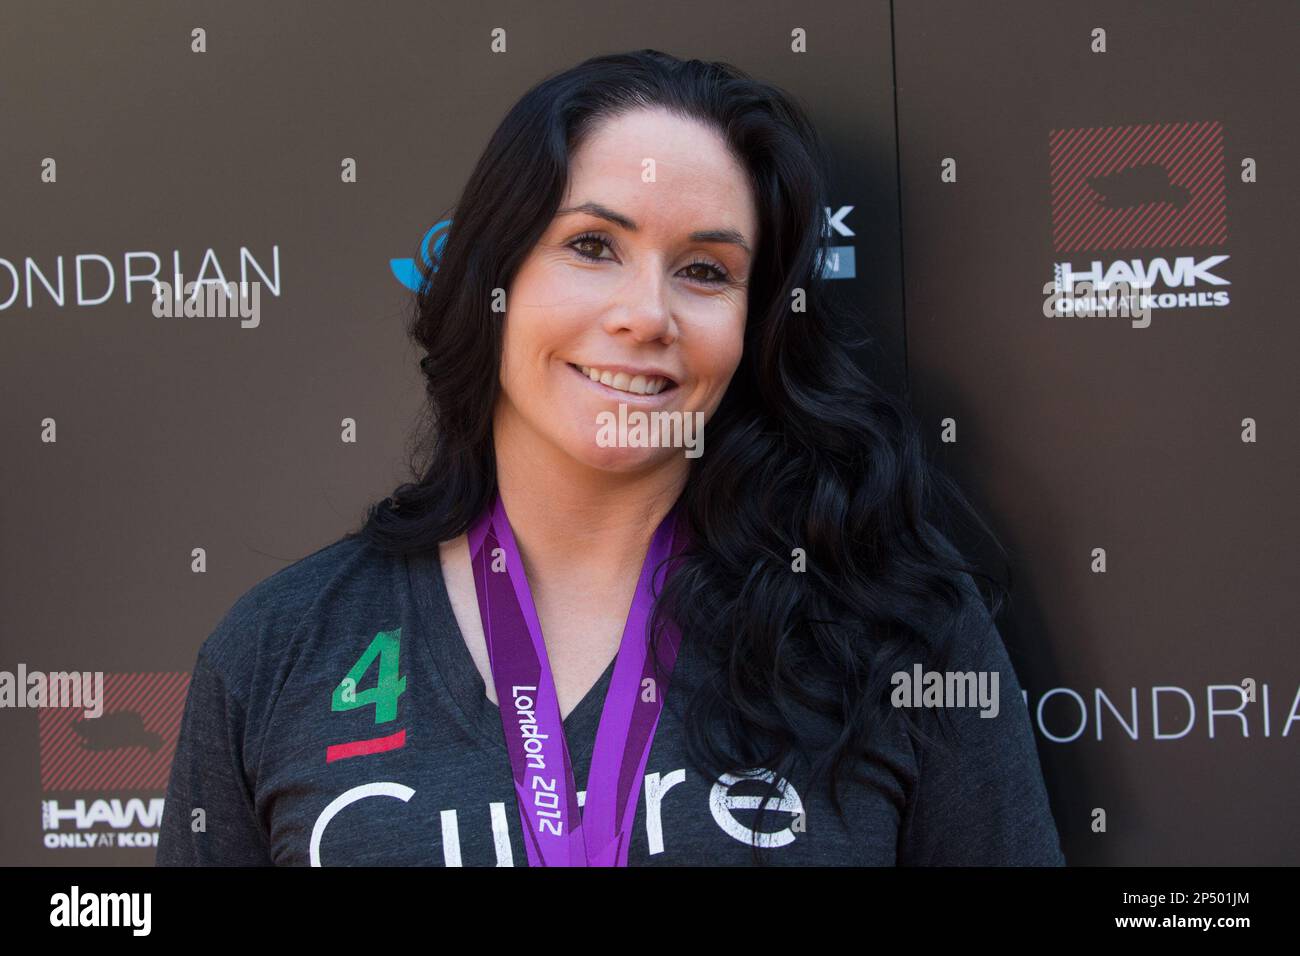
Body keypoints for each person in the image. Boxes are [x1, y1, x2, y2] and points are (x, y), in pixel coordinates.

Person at [157, 49, 1065, 866]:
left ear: (753, 329)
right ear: (494, 278)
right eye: (593, 246)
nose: (647, 315)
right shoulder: (278, 650)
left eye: (705, 270)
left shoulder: (893, 631)